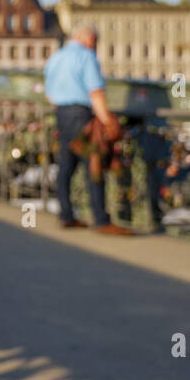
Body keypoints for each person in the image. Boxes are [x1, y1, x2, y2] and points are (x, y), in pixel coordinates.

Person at [44, 24, 130, 235]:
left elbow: (49, 94)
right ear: (90, 39)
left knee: (66, 165)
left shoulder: (56, 57)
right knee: (94, 164)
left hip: (61, 114)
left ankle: (66, 215)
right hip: (82, 115)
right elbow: (96, 93)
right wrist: (108, 121)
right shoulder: (86, 57)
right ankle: (101, 219)